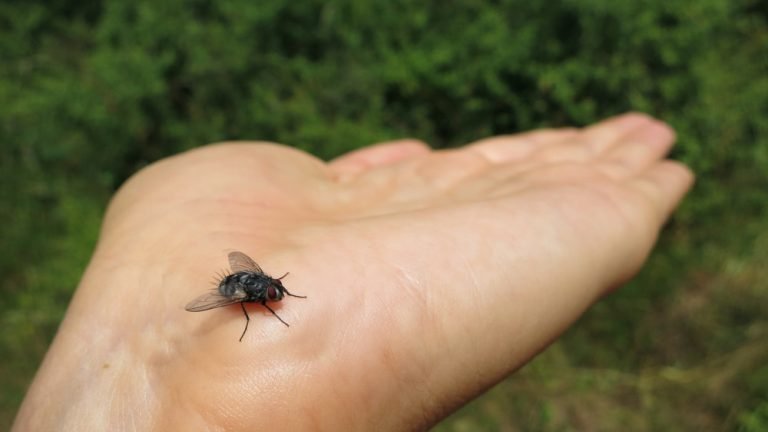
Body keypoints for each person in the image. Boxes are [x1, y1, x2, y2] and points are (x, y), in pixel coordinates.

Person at [12, 113, 693, 431]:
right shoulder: (241, 299)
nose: (271, 295)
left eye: (272, 291)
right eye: (270, 293)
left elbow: (255, 274)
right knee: (237, 311)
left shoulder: (265, 284)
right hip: (221, 300)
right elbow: (239, 288)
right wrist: (164, 400)